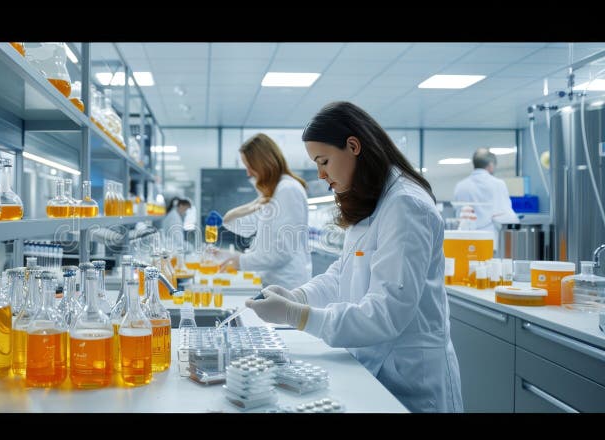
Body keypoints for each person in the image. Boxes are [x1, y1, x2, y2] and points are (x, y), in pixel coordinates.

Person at [245, 102, 463, 413]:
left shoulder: (405, 204)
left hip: (413, 380)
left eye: (324, 161)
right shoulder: (372, 199)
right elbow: (342, 273)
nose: (321, 174)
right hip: (375, 368)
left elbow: (387, 312)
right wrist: (298, 296)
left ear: (353, 145)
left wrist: (298, 315)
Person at [218, 133, 311, 290]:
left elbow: (282, 252)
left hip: (287, 286)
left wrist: (240, 261)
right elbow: (238, 225)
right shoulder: (274, 193)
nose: (248, 173)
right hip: (272, 282)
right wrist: (227, 255)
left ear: (264, 163)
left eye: (250, 167)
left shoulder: (287, 190)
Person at [453, 147, 519, 232]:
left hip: (467, 238)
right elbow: (507, 215)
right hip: (491, 239)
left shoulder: (461, 186)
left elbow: (458, 215)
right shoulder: (498, 184)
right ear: (491, 165)